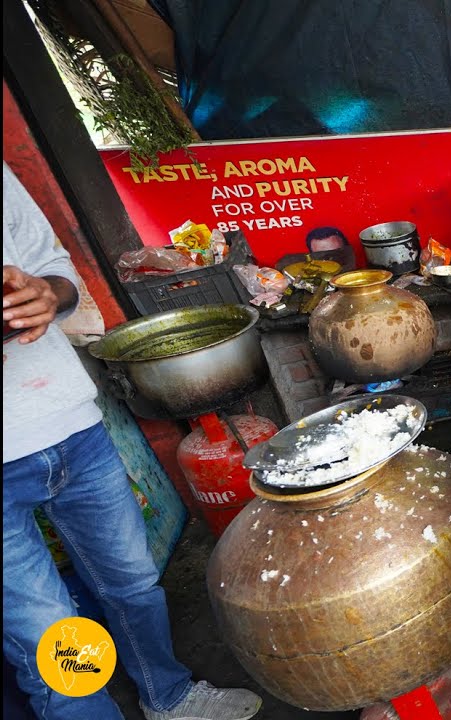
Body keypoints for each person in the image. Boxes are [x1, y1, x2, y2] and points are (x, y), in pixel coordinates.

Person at [2, 162, 262, 720]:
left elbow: (54, 269)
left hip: (71, 426)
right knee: (49, 636)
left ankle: (167, 697)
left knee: (134, 585)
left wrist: (48, 293)